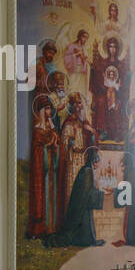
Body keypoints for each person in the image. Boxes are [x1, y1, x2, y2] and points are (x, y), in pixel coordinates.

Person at [46, 146, 106, 248]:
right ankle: (84, 240)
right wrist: (101, 193)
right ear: (94, 161)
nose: (98, 164)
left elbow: (88, 191)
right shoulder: (87, 171)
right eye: (97, 161)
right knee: (79, 231)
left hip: (82, 205)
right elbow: (87, 193)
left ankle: (90, 239)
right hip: (79, 208)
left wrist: (98, 192)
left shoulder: (86, 170)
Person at [57, 91, 96, 225]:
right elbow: (63, 143)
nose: (79, 106)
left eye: (80, 103)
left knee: (83, 191)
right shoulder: (69, 123)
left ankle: (81, 226)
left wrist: (90, 132)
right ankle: (70, 223)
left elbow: (93, 139)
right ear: (72, 106)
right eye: (76, 104)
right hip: (72, 160)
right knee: (71, 190)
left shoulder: (85, 122)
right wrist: (70, 141)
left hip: (84, 161)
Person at [27, 94, 61, 238]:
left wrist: (55, 145)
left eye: (50, 109)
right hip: (42, 171)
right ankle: (40, 229)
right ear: (41, 111)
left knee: (51, 196)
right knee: (41, 197)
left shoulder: (50, 127)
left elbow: (56, 142)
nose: (49, 112)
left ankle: (51, 228)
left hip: (51, 171)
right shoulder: (37, 129)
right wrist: (49, 144)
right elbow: (37, 149)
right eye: (46, 109)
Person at [89, 35, 130, 141]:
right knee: (102, 101)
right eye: (111, 46)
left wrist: (117, 88)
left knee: (118, 103)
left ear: (117, 49)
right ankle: (104, 131)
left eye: (115, 47)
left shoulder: (120, 64)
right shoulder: (103, 62)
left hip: (117, 93)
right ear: (107, 48)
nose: (113, 49)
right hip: (104, 92)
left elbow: (124, 80)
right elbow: (98, 77)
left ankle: (116, 133)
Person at [62, 28, 93, 122]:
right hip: (74, 74)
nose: (85, 40)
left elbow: (88, 62)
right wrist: (76, 55)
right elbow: (66, 59)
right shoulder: (71, 46)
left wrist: (85, 59)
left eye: (87, 38)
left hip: (82, 76)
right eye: (84, 37)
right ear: (79, 36)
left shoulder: (84, 49)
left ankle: (82, 118)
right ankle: (71, 115)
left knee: (81, 95)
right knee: (73, 93)